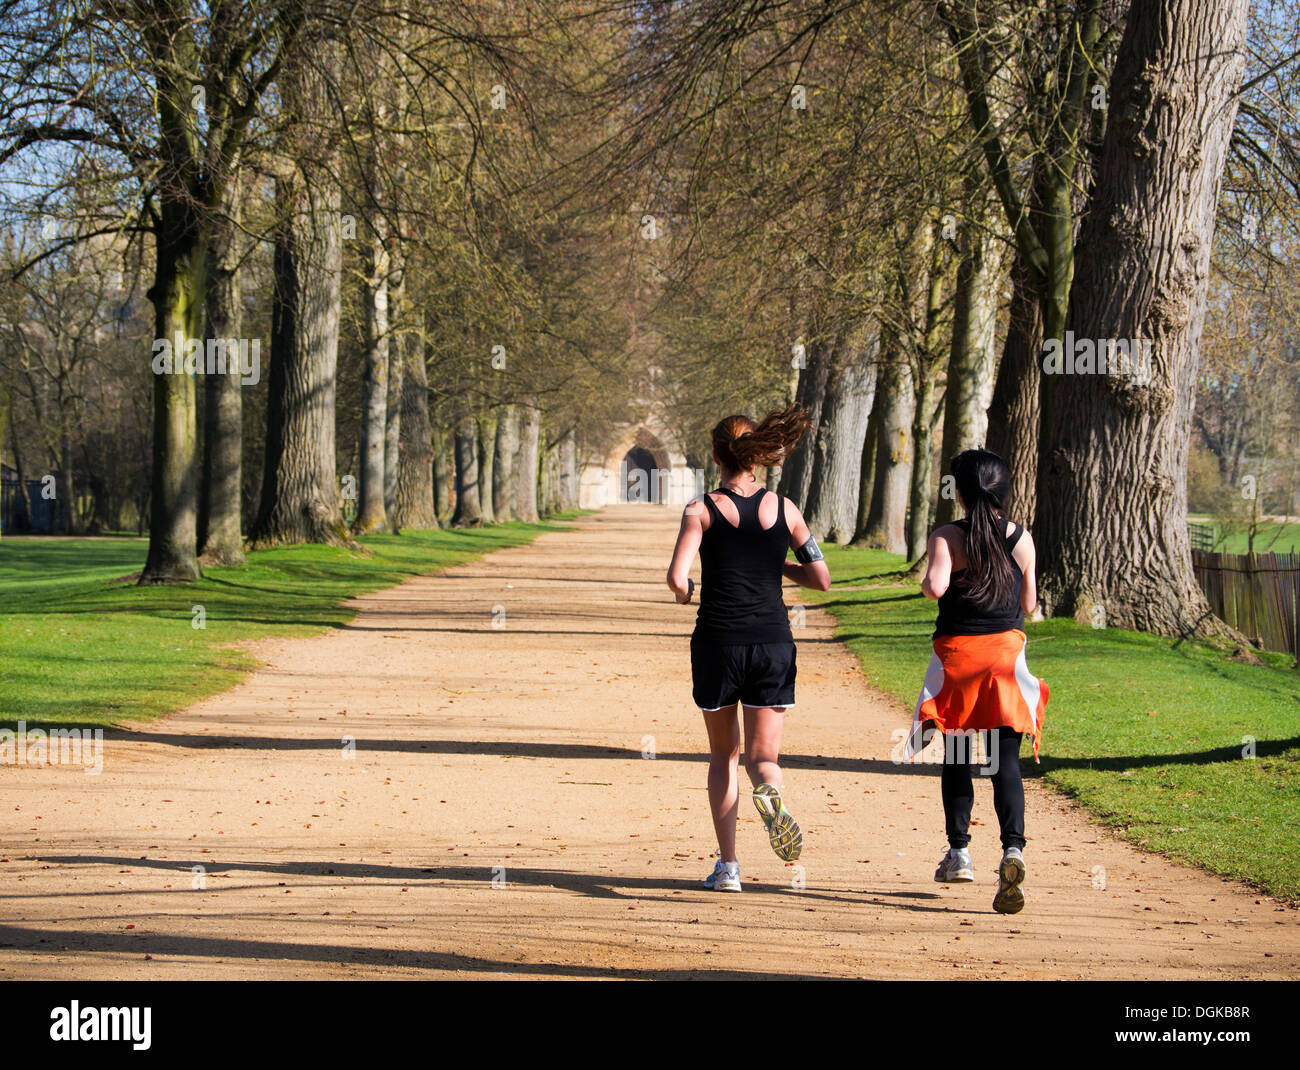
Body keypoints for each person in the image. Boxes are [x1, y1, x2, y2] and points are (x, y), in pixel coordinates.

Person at [665, 404, 831, 893]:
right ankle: (770, 793)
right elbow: (821, 578)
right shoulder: (786, 509)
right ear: (755, 457)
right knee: (763, 758)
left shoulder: (701, 509)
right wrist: (775, 565)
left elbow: (676, 577)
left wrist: (687, 591)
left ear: (717, 456)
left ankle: (730, 867)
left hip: (719, 641)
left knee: (724, 756)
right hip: (774, 642)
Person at [907, 448, 1048, 915]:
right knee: (1006, 759)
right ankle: (1013, 849)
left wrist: (932, 578)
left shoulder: (948, 535)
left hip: (959, 661)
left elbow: (936, 587)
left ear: (960, 493)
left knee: (960, 755)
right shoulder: (1021, 539)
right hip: (1004, 660)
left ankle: (960, 852)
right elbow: (1028, 604)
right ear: (1003, 491)